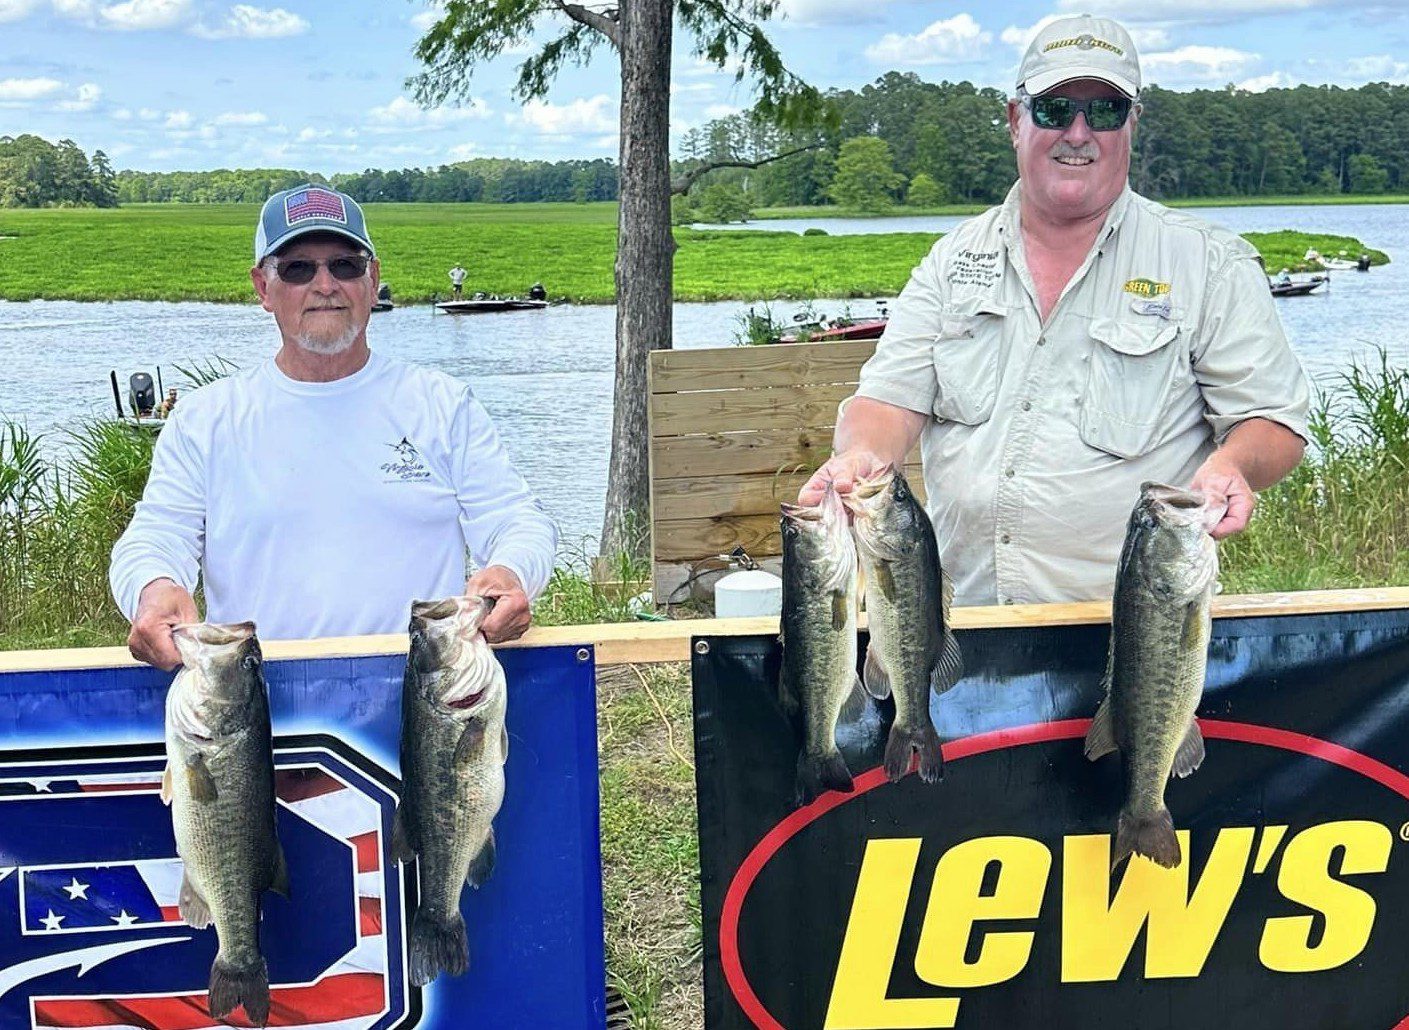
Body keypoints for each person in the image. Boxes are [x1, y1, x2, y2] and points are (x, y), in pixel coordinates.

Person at [800, 14, 1308, 608]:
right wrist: (862, 455)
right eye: (1054, 108)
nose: (1078, 131)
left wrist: (1231, 465)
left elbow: (1275, 422)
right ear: (1016, 121)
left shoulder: (1209, 264)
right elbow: (887, 400)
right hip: (963, 625)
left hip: (1138, 627)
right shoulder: (952, 260)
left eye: (1105, 111)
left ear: (1132, 126)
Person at [111, 184, 558, 670]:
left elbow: (518, 519)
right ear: (263, 286)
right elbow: (155, 535)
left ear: (373, 279)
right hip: (258, 705)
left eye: (345, 265)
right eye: (298, 268)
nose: (325, 285)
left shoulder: (443, 406)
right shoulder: (205, 419)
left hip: (421, 696)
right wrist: (154, 588)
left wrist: (509, 572)